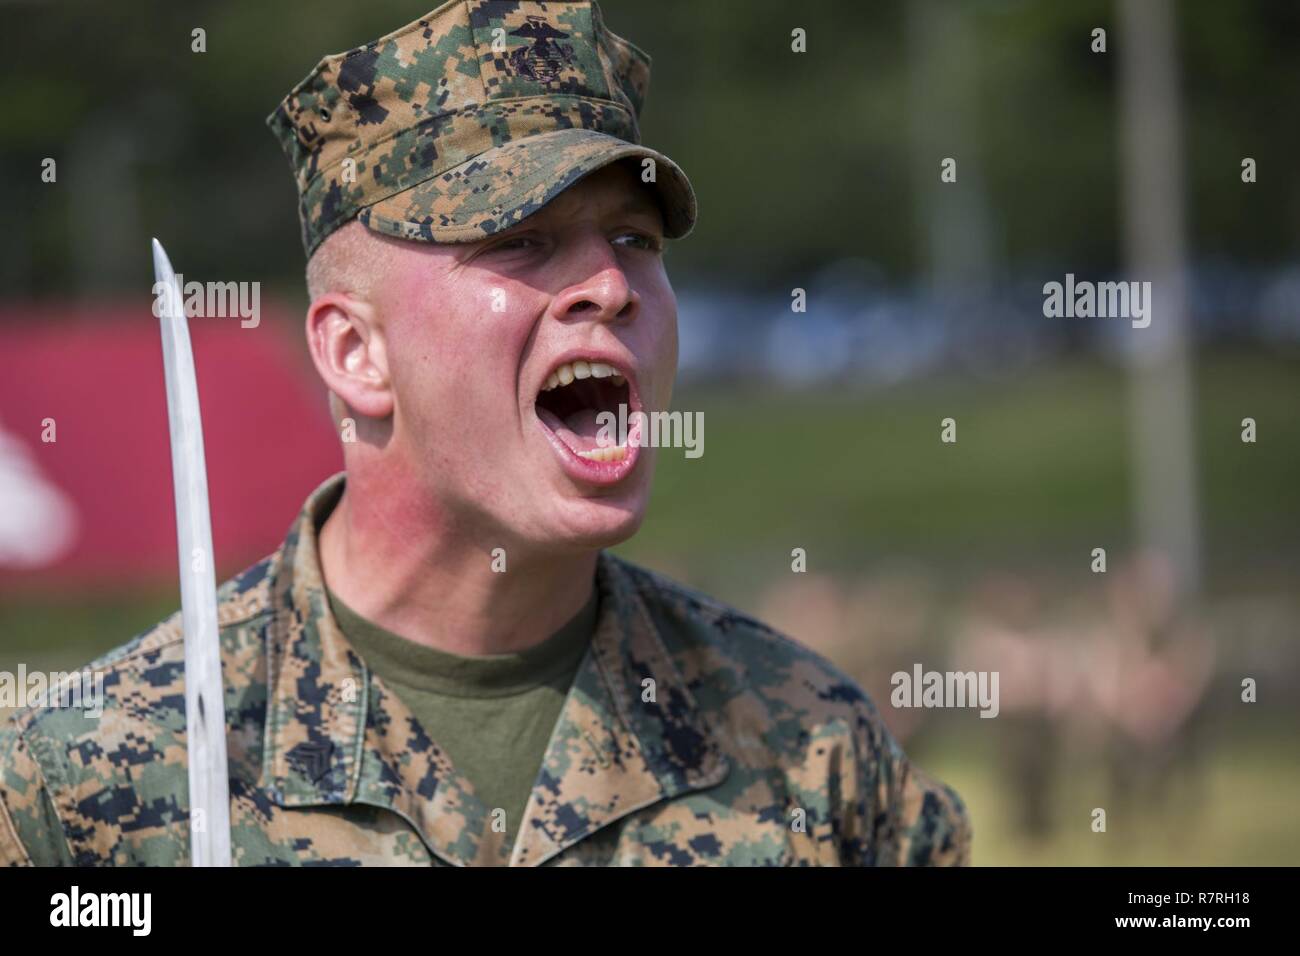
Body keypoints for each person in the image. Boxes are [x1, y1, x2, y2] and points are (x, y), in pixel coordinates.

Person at [0, 0, 970, 866]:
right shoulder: (91, 785)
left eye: (635, 240)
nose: (610, 285)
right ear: (355, 354)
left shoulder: (813, 755)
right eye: (521, 240)